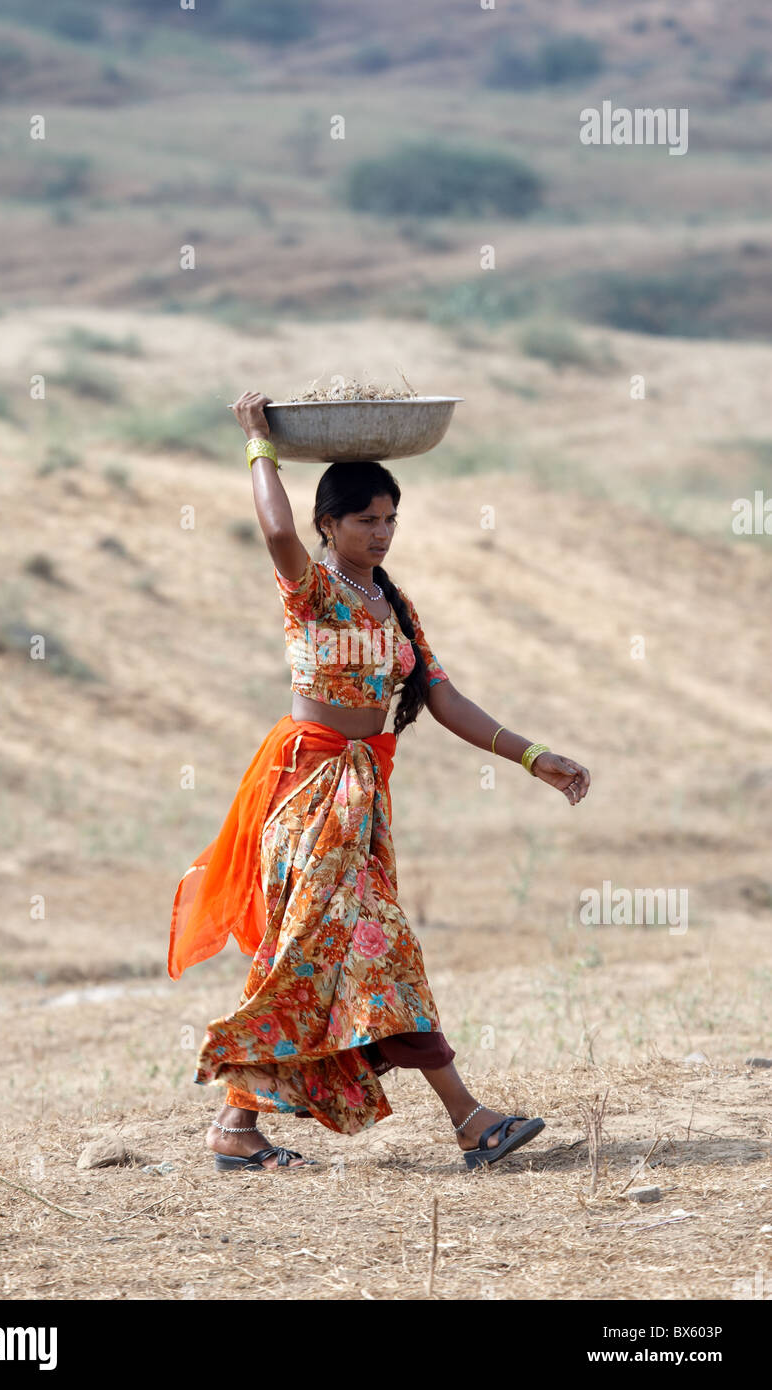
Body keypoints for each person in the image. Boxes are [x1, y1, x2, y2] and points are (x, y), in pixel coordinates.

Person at [168, 390, 590, 1172]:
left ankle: (235, 1127)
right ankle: (471, 1121)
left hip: (364, 805)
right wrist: (259, 443)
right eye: (367, 520)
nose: (383, 534)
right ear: (329, 525)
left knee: (322, 960)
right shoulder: (314, 592)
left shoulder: (392, 606)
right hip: (311, 796)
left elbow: (443, 696)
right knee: (375, 946)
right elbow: (272, 528)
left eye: (391, 520)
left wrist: (533, 756)